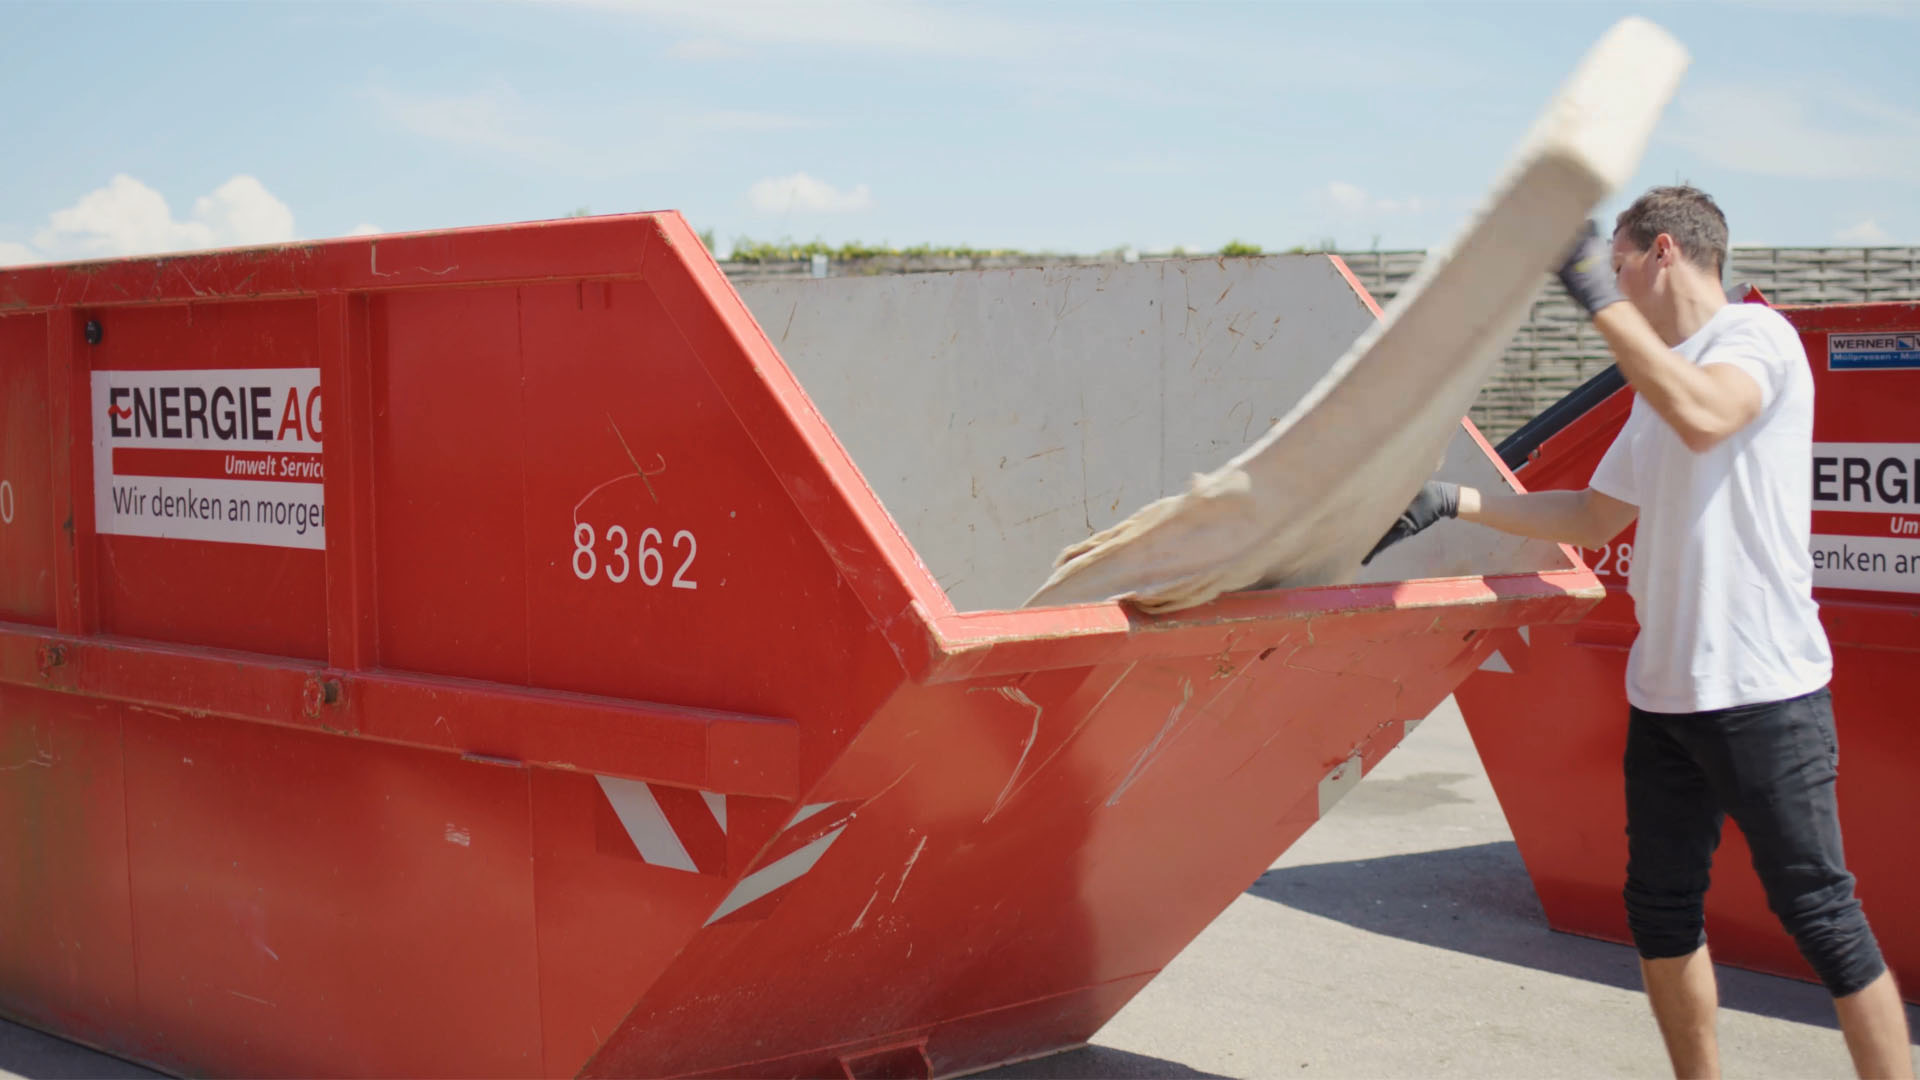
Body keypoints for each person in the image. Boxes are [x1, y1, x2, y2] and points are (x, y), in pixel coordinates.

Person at [1369, 185, 1914, 1079]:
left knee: (1821, 914)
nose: (1607, 284)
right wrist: (1452, 503)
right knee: (1660, 913)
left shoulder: (1755, 341)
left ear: (1662, 253)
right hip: (1665, 697)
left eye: (1615, 263)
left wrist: (1601, 299)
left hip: (1766, 694)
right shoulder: (1659, 383)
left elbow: (1709, 415)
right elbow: (1592, 516)